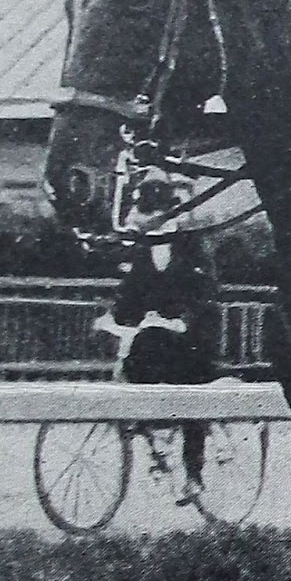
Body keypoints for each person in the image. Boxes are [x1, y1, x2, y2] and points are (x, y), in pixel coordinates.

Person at [96, 178, 221, 503]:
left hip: (192, 338)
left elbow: (207, 292)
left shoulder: (191, 245)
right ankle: (157, 446)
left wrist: (184, 320)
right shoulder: (143, 250)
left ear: (169, 214)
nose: (146, 220)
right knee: (136, 363)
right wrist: (112, 317)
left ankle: (193, 475)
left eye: (153, 213)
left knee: (193, 395)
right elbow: (130, 294)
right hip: (156, 336)